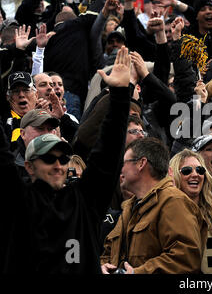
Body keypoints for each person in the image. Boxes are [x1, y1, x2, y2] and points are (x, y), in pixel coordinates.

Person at [0, 45, 132, 273]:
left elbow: (107, 154)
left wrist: (120, 96)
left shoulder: (84, 201)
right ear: (29, 166)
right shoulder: (18, 202)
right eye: (48, 158)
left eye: (63, 158)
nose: (58, 164)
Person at [100, 137, 206, 274]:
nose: (120, 170)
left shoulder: (173, 201)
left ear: (141, 164)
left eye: (124, 162)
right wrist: (103, 266)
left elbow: (186, 259)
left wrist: (138, 273)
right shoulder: (128, 209)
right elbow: (108, 253)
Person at [169, 149, 212, 274]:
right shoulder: (166, 213)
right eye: (187, 171)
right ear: (175, 176)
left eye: (200, 170)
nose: (195, 175)